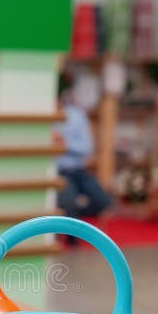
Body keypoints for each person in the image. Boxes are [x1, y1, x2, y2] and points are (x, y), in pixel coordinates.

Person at [53, 81, 112, 222]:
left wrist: (65, 144)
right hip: (59, 173)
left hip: (80, 171)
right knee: (69, 202)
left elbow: (86, 148)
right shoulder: (45, 118)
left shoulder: (76, 115)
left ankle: (75, 221)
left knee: (104, 201)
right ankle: (72, 235)